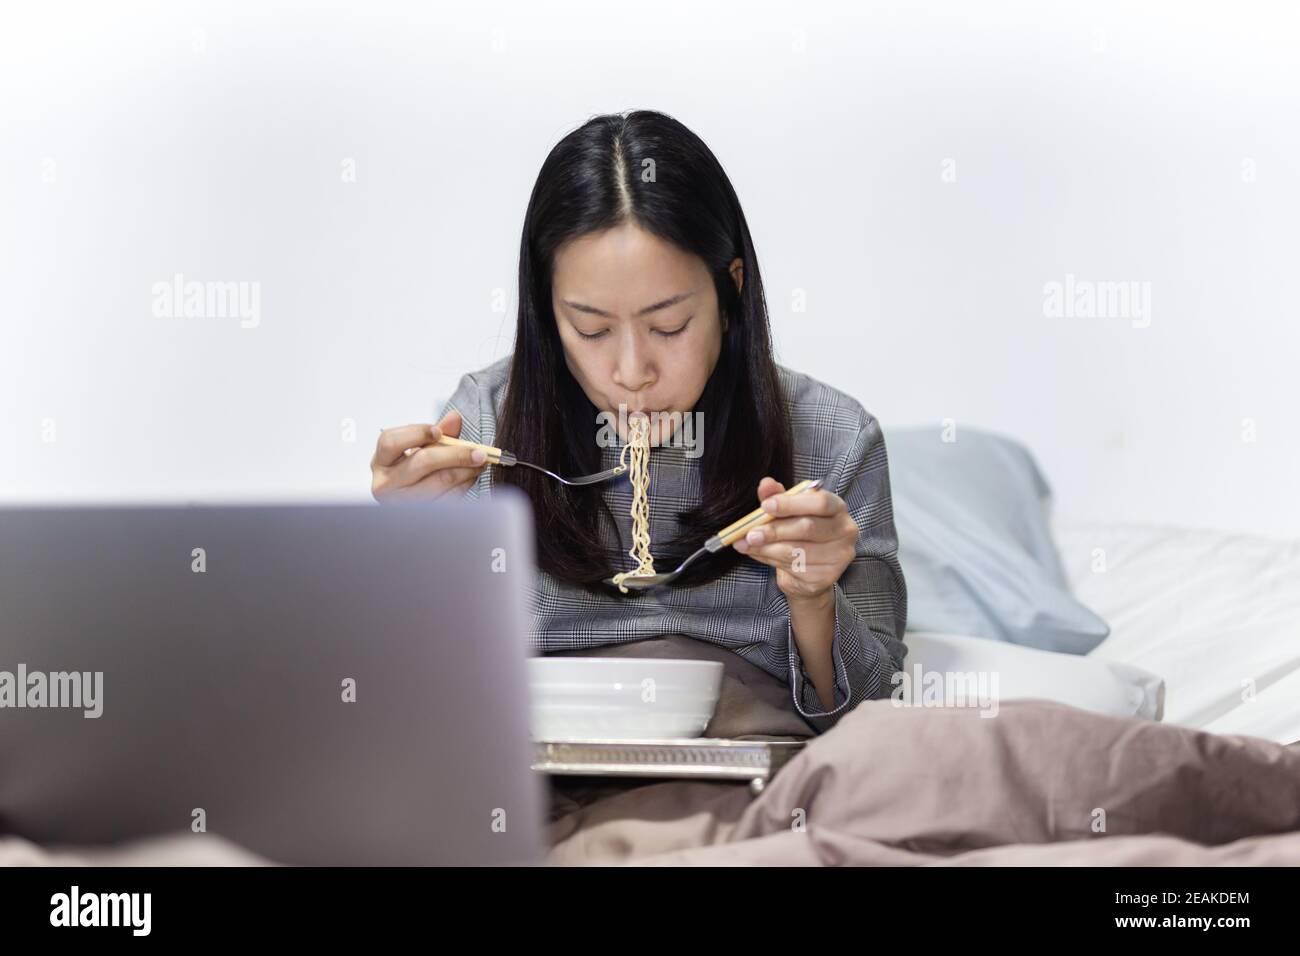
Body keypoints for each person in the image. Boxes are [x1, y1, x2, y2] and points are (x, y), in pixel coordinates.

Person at [370, 110, 907, 735]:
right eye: (591, 329)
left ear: (730, 291)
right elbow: (429, 701)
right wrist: (406, 547)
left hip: (766, 780)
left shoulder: (835, 438)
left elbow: (879, 723)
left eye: (669, 327)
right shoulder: (488, 423)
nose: (631, 372)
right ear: (548, 313)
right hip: (554, 776)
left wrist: (815, 599)